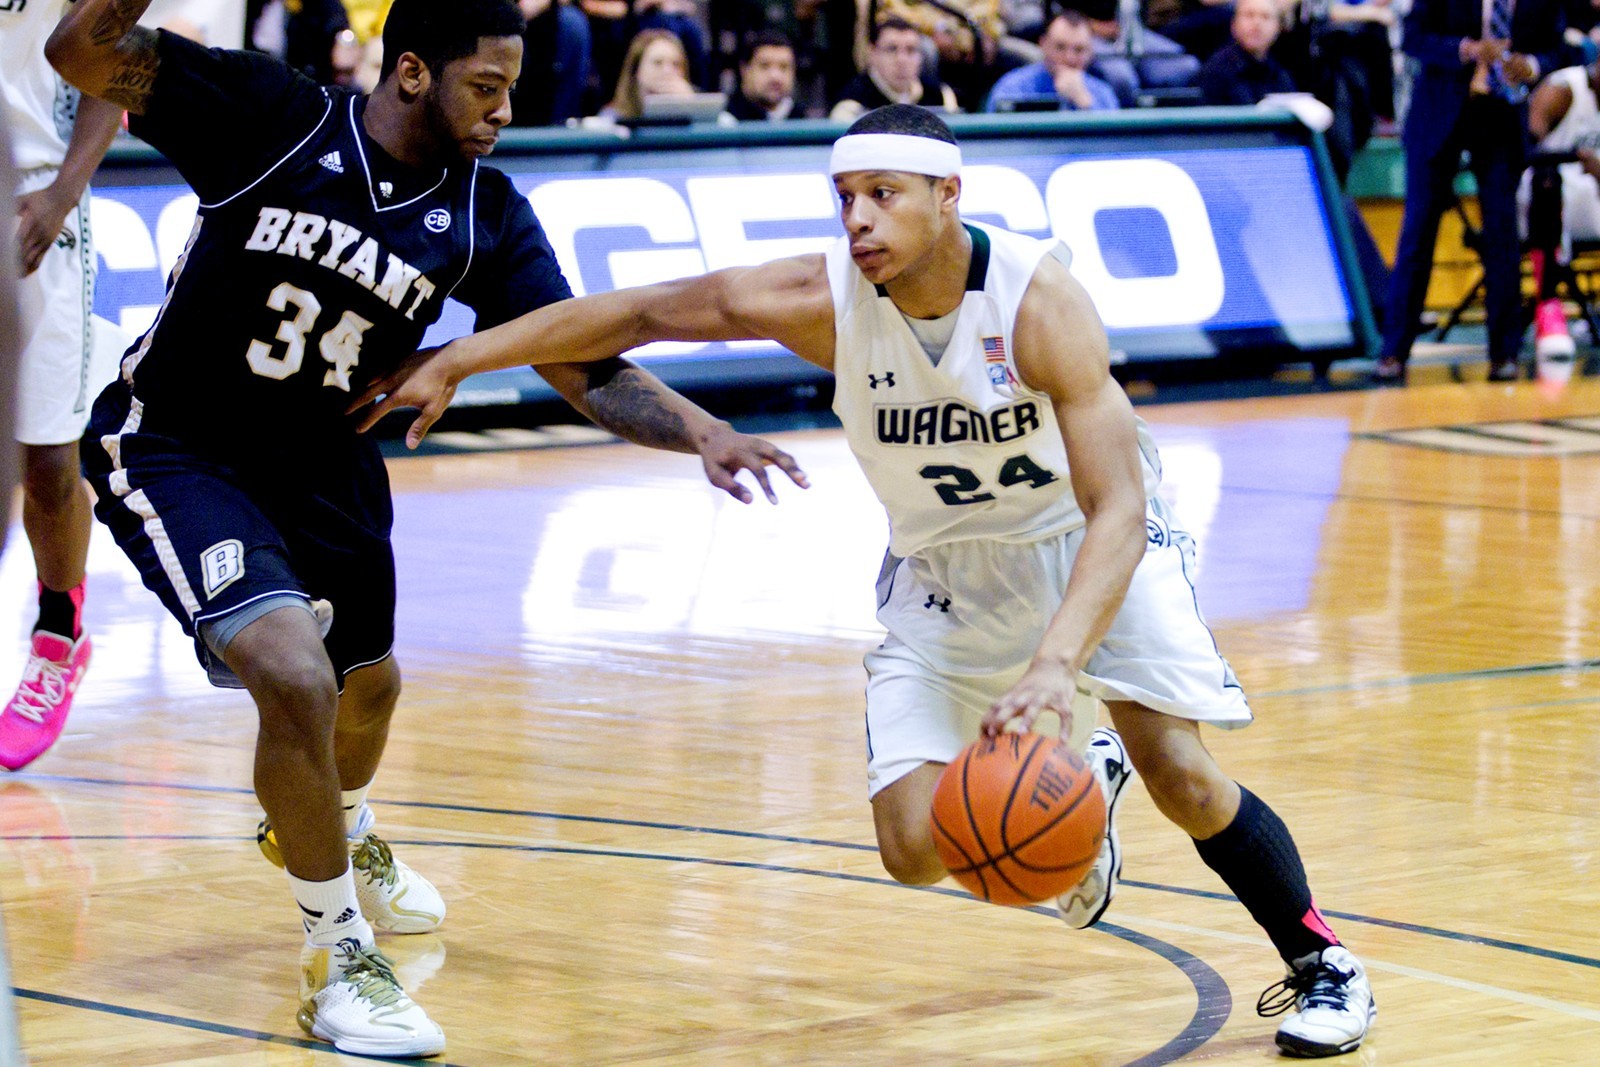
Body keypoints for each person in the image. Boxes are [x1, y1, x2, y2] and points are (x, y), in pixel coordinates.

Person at [353, 104, 1378, 1060]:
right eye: (846, 197)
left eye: (885, 194)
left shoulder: (1039, 302)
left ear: (948, 197)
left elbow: (1115, 504)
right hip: (943, 562)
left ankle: (1321, 959)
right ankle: (1078, 815)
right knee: (910, 846)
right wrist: (465, 357)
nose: (859, 219)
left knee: (1181, 772)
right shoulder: (818, 301)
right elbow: (633, 310)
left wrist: (1058, 663)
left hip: (1085, 535)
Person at [45, 0, 804, 1055]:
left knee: (370, 689)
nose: (501, 113)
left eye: (511, 92)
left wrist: (703, 431)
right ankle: (337, 957)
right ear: (410, 72)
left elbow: (585, 368)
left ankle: (329, 825)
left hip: (328, 461)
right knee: (295, 673)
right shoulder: (274, 115)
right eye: (483, 89)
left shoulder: (488, 214)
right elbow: (78, 52)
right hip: (180, 444)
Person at [1, 0, 126, 772]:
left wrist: (62, 195)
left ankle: (59, 632)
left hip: (36, 201)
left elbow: (112, 62)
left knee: (48, 461)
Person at [1374, 0, 1567, 384]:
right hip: (1440, 109)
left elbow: (1560, 47)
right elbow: (1413, 38)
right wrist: (1468, 50)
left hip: (1501, 116)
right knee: (1418, 231)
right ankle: (1394, 351)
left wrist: (1532, 66)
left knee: (1502, 236)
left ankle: (1504, 354)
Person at [830, 15, 961, 120]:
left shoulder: (941, 95)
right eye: (892, 49)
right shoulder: (852, 105)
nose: (901, 60)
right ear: (872, 53)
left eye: (910, 50)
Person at [985, 10, 1121, 111]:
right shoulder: (1012, 88)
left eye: (1079, 50)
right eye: (1060, 47)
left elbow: (1113, 144)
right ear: (1043, 45)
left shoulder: (1103, 94)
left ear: (1090, 52)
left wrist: (1084, 103)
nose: (1069, 58)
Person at [600, 28, 700, 121]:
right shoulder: (611, 117)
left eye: (676, 64)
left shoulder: (698, 113)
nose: (668, 71)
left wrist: (690, 106)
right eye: (658, 63)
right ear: (636, 70)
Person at [725, 30, 800, 121]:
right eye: (765, 66)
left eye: (783, 67)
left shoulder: (804, 123)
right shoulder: (723, 121)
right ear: (744, 70)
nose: (775, 76)